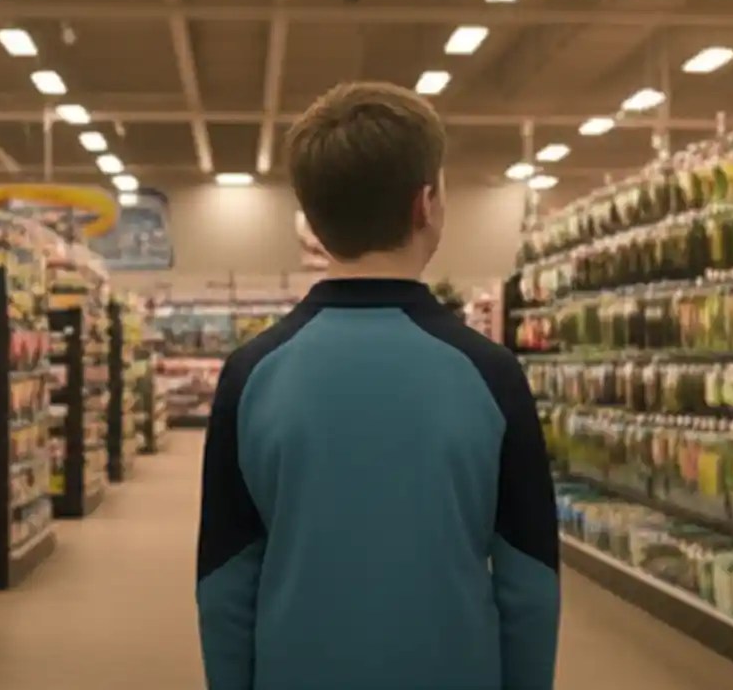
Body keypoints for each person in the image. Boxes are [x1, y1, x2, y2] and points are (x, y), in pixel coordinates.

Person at [195, 82, 561, 690]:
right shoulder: (491, 374)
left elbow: (225, 581)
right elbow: (529, 581)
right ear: (427, 204)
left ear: (311, 220)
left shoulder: (252, 372)